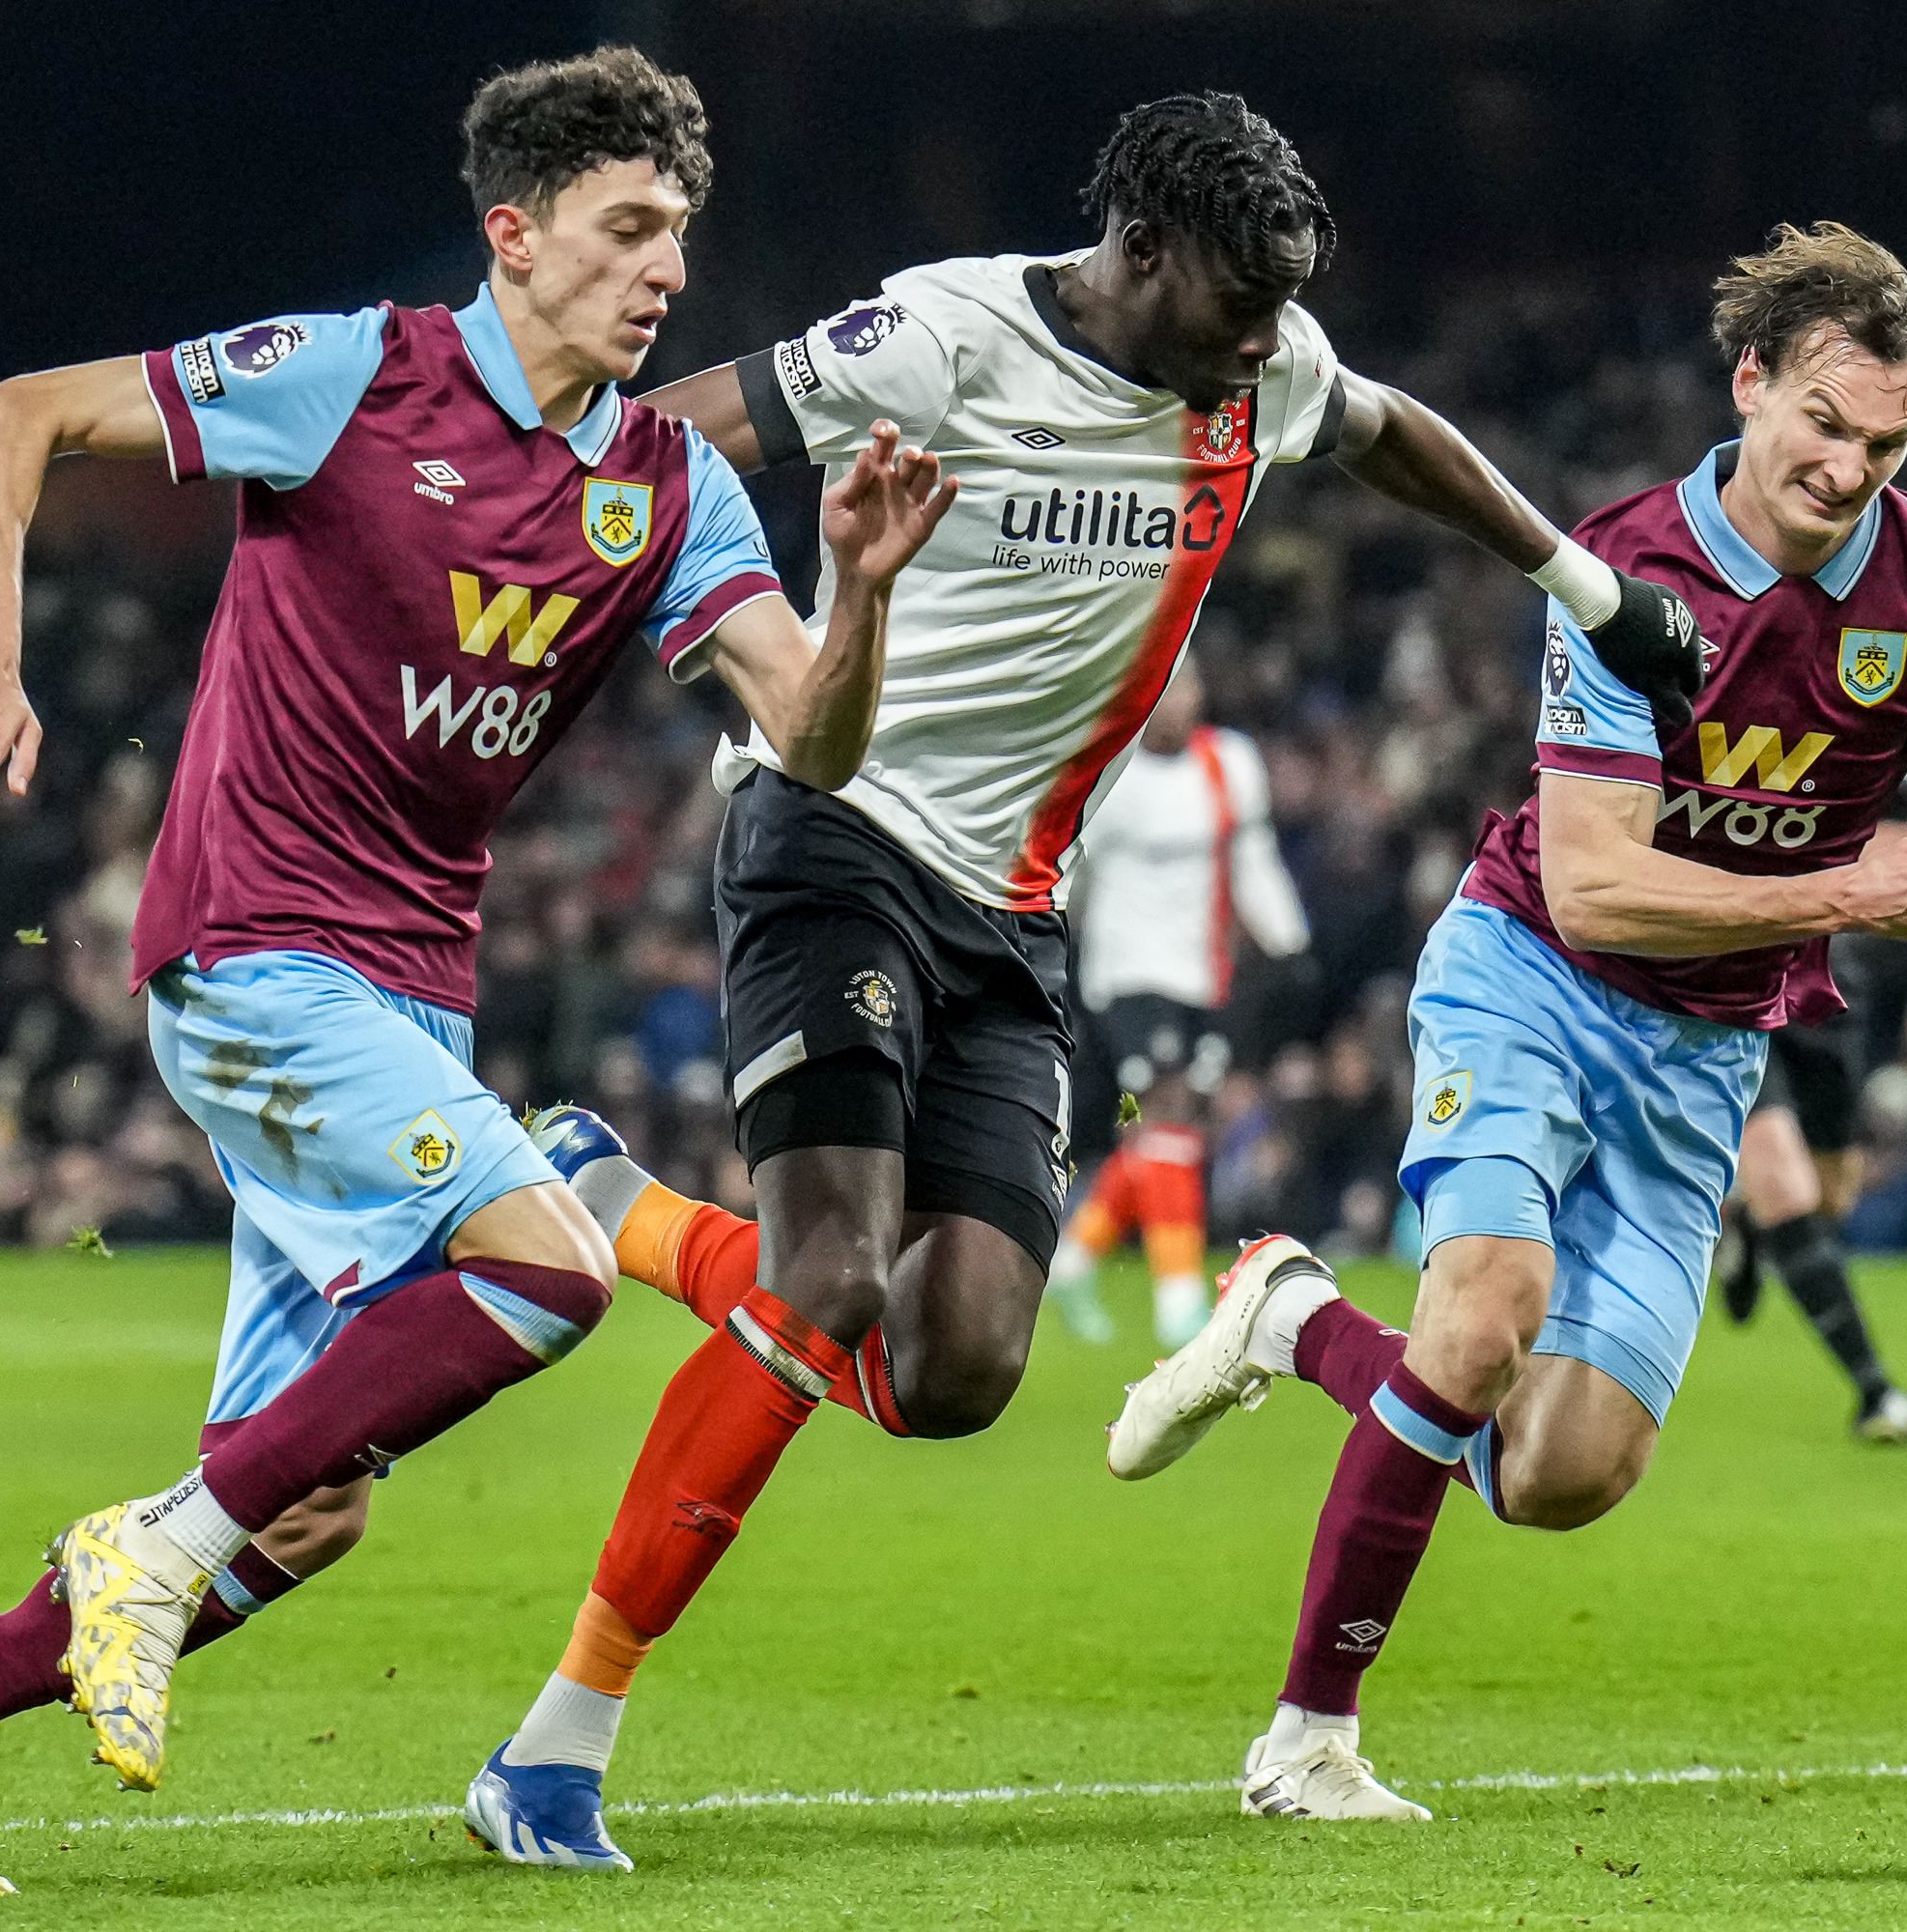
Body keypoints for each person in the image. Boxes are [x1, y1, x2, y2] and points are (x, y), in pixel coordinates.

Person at [459, 91, 1707, 1872]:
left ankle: (629, 1217)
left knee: (956, 1366)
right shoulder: (947, 334)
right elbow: (674, 431)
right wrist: (519, 554)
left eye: (1283, 312)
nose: (1261, 348)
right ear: (1137, 256)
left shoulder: (1254, 360)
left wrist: (1588, 587)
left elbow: (1385, 432)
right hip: (835, 835)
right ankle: (557, 1743)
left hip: (1014, 911)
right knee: (824, 1277)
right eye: (1233, 309)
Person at [0, 48, 954, 1896]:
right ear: (518, 234)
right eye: (627, 230)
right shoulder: (355, 376)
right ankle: (143, 1556)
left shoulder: (664, 486)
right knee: (549, 1265)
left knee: (297, 1504)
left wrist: (863, 590)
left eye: (680, 239)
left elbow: (806, 737)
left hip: (408, 990)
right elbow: (10, 417)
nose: (666, 274)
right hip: (252, 947)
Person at [1106, 222, 1907, 1819]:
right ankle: (1307, 1743)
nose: (1848, 470)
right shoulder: (1625, 579)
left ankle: (1294, 1322)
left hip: (1704, 1049)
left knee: (1562, 1475)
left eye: (1886, 443)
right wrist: (1836, 893)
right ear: (1750, 384)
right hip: (1532, 971)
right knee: (1483, 1317)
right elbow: (1606, 891)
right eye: (1823, 424)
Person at [1048, 661, 1310, 1346]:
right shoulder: (1110, 768)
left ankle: (1075, 1258)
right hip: (1127, 971)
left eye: (1189, 686)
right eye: (1166, 690)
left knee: (1176, 1127)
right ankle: (1179, 1297)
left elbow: (1253, 859)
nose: (1179, 702)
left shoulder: (1230, 762)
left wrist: (1288, 940)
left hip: (1205, 974)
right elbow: (1069, 868)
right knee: (1166, 1109)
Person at [1715, 1015, 1907, 1443]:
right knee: (1781, 1181)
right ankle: (1876, 1392)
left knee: (1830, 1194)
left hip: (1818, 981)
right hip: (1726, 988)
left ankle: (1751, 1221)